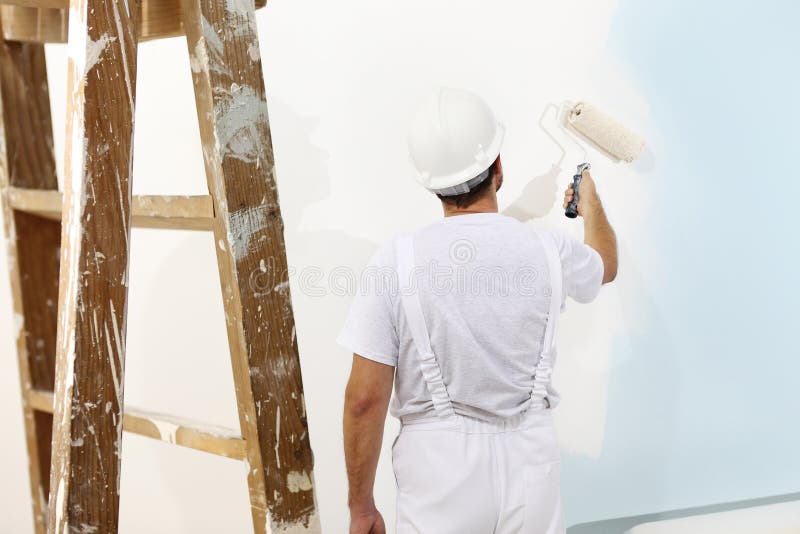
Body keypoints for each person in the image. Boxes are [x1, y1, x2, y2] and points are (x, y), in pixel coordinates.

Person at [339, 87, 617, 534]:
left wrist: (362, 506)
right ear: (499, 167)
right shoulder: (550, 251)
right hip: (532, 462)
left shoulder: (397, 260)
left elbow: (364, 400)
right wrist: (591, 203)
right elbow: (605, 266)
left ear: (428, 181)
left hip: (438, 469)